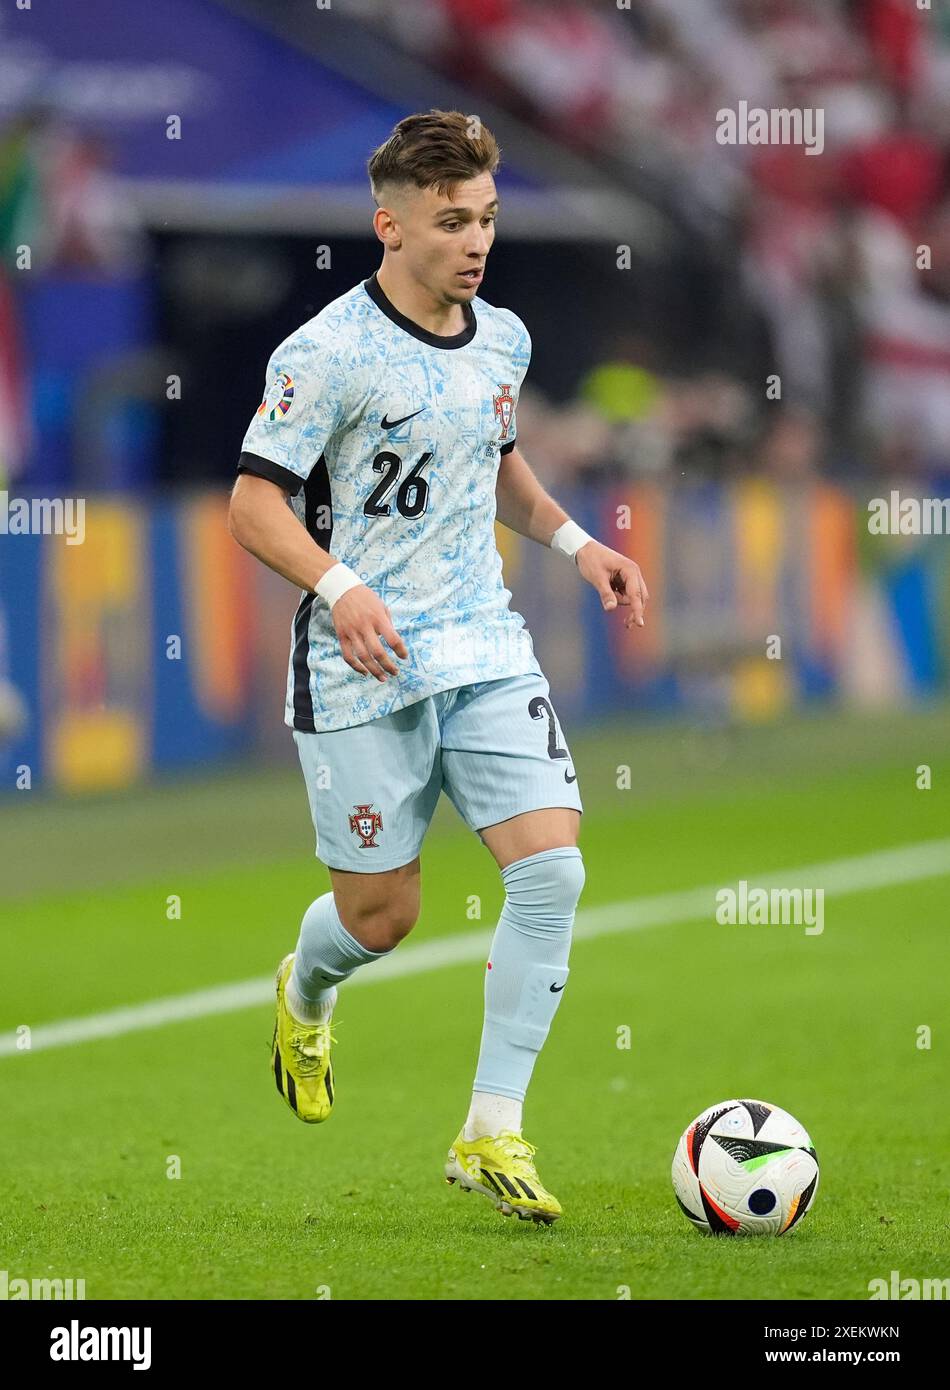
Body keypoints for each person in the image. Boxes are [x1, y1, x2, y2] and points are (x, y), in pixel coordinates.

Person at [228, 109, 648, 1224]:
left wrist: (574, 543)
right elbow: (251, 503)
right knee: (380, 918)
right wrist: (338, 585)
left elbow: (497, 462)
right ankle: (304, 988)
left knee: (552, 871)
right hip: (361, 659)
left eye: (489, 219)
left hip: (481, 641)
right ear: (390, 225)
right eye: (453, 221)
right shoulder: (324, 353)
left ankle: (489, 1127)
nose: (476, 241)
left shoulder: (502, 338)